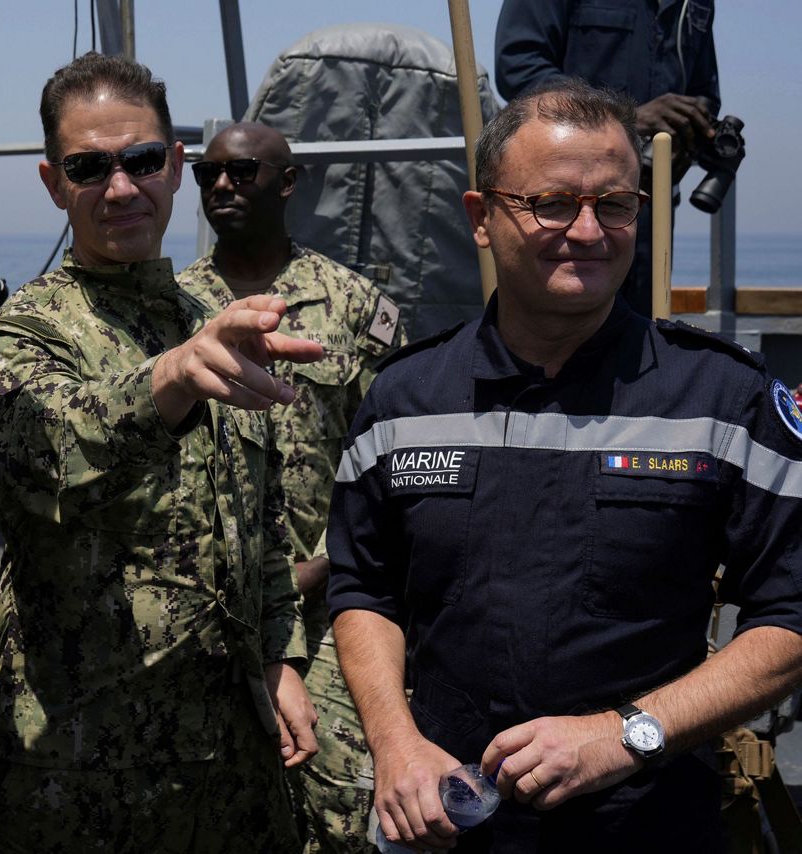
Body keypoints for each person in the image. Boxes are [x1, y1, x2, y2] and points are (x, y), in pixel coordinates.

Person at [328, 79, 802, 853]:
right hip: (446, 829)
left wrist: (627, 736)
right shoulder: (404, 399)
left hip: (647, 830)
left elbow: (791, 615)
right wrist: (395, 744)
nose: (587, 231)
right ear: (482, 219)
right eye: (552, 203)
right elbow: (363, 589)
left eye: (613, 205)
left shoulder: (724, 401)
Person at [0, 53, 325, 853]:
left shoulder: (212, 316)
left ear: (175, 166)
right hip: (80, 781)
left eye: (142, 161)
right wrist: (170, 377)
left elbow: (259, 519)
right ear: (54, 183)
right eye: (89, 168)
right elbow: (45, 451)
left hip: (230, 768)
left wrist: (280, 656)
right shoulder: (27, 332)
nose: (121, 189)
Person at [176, 121, 403, 853]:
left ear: (287, 181)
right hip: (212, 607)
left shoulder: (354, 306)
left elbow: (392, 466)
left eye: (242, 172)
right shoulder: (171, 315)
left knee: (343, 798)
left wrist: (329, 564)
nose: (221, 187)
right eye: (207, 174)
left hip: (334, 603)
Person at [494, 0, 720, 317]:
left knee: (641, 334)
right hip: (562, 205)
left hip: (648, 208)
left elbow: (704, 92)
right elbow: (519, 67)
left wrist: (694, 131)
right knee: (561, 328)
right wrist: (626, 118)